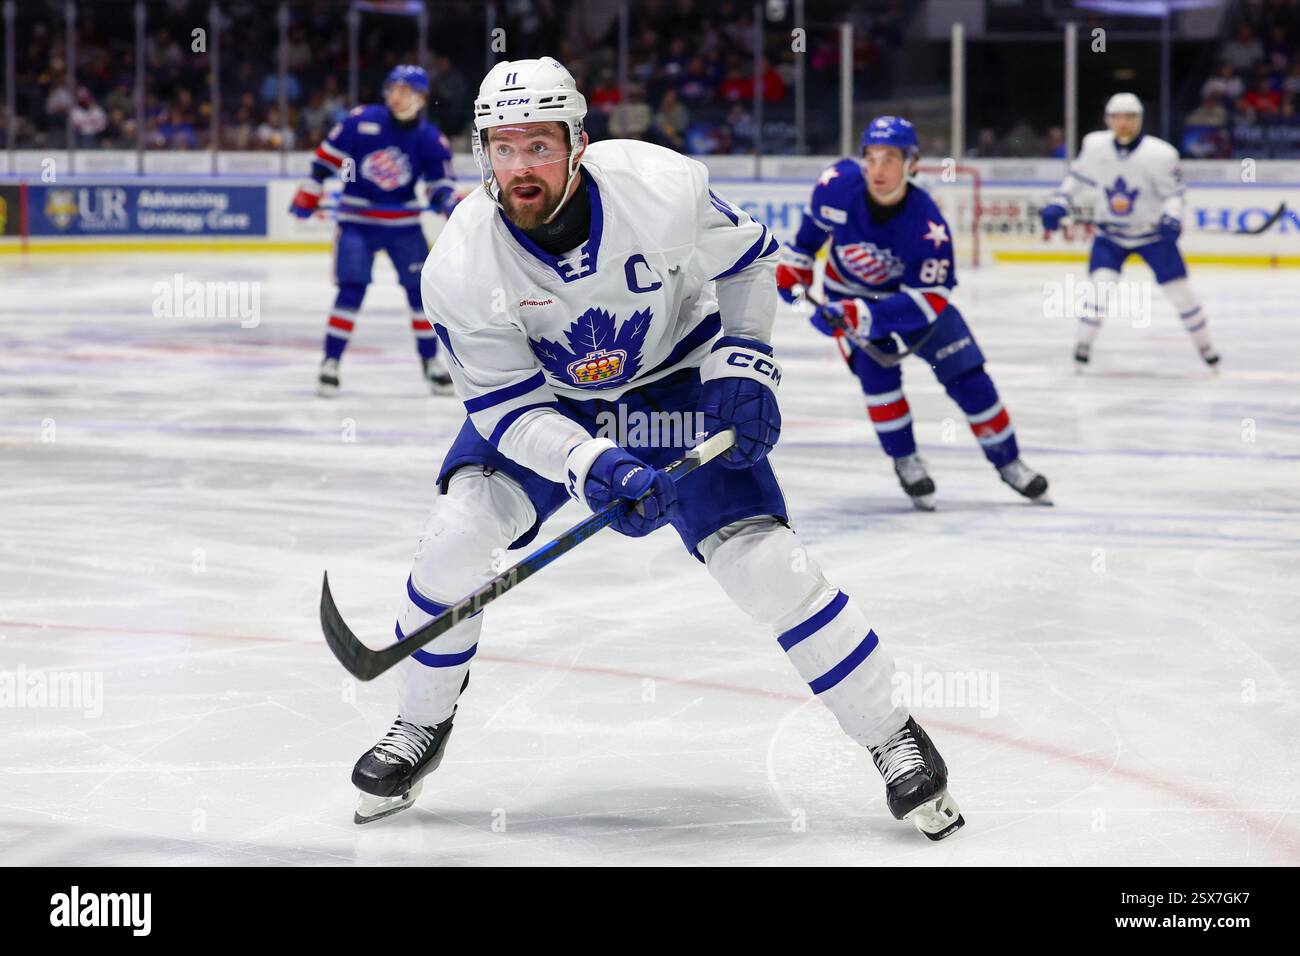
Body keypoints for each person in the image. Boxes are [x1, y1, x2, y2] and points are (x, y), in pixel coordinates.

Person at [348, 57, 965, 842]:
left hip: (672, 385)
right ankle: (418, 724)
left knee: (767, 566)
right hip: (553, 405)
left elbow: (749, 261)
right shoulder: (461, 264)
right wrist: (590, 464)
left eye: (536, 145)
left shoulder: (660, 185)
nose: (518, 168)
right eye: (501, 148)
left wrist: (744, 359)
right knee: (454, 541)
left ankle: (891, 735)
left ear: (577, 143)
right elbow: (506, 406)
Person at [776, 115, 1050, 511]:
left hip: (910, 307)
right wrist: (796, 270)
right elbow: (808, 238)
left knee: (971, 381)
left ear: (912, 164)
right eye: (871, 158)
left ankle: (1010, 463)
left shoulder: (928, 225)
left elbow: (928, 302)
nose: (878, 169)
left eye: (890, 159)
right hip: (849, 297)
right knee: (879, 385)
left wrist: (859, 315)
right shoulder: (836, 187)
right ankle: (905, 459)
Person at [289, 65, 458, 396]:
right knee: (351, 290)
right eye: (392, 89)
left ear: (422, 98)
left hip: (403, 227)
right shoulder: (362, 120)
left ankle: (430, 362)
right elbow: (325, 160)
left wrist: (448, 202)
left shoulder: (429, 139)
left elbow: (438, 187)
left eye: (405, 91)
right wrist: (311, 187)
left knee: (419, 296)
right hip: (357, 223)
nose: (396, 96)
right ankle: (331, 362)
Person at [1041, 93, 1220, 370]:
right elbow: (1076, 180)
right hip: (1110, 236)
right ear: (1108, 119)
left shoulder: (1160, 154)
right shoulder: (1094, 146)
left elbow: (1174, 195)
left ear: (1139, 120)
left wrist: (1171, 217)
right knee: (1100, 288)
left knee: (1181, 293)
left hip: (1152, 237)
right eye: (1117, 117)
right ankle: (1083, 346)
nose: (1123, 123)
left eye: (1130, 117)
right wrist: (1058, 203)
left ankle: (1206, 348)